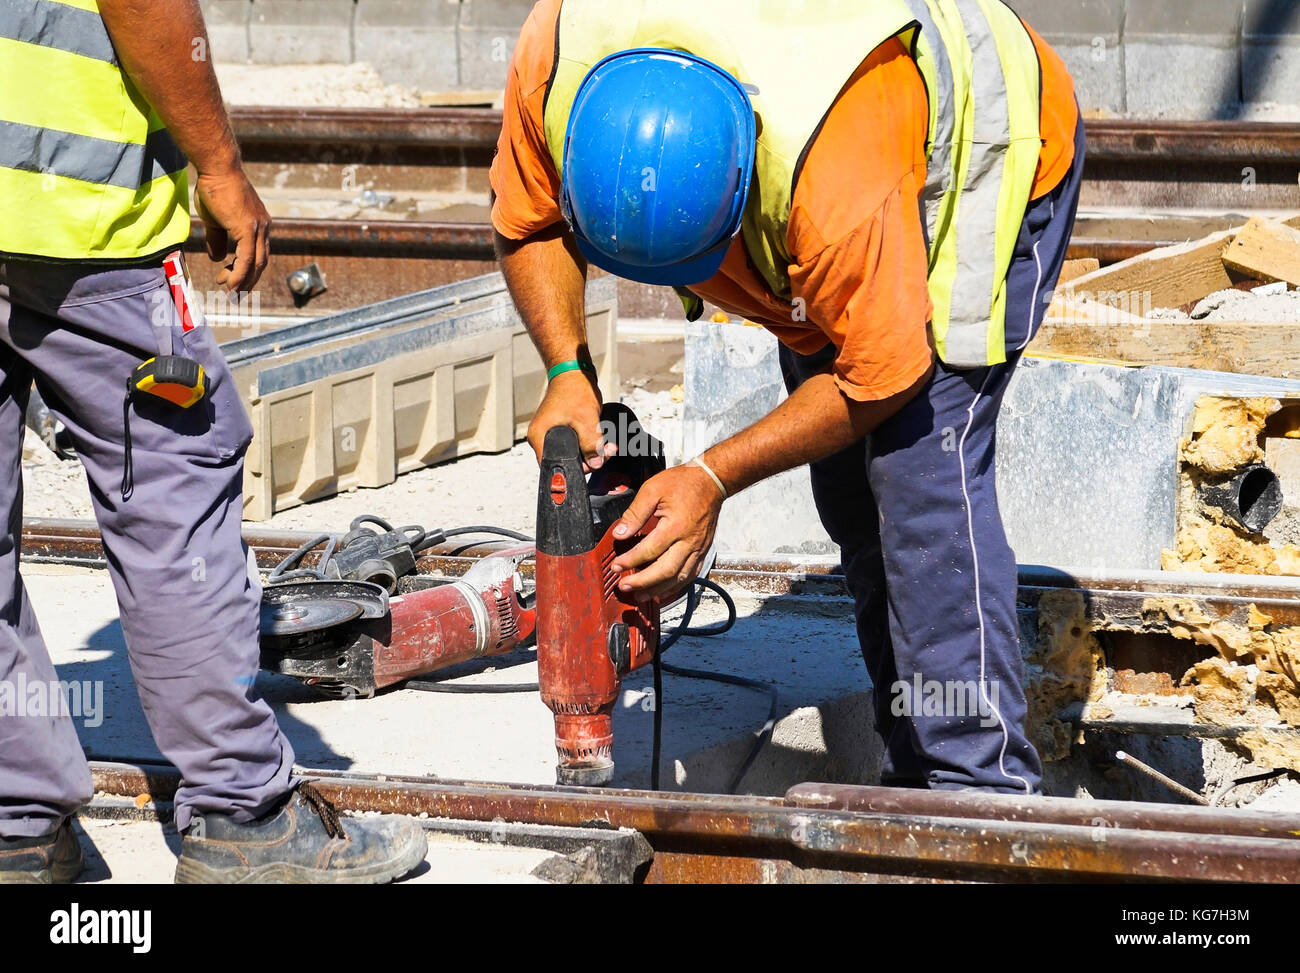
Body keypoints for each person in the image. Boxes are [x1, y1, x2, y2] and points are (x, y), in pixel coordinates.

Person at [492, 0, 1085, 792]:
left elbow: (881, 379)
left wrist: (712, 476)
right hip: (839, 187)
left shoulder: (833, 176)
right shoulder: (556, 54)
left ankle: (979, 792)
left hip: (986, 148)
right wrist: (567, 371)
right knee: (849, 491)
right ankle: (910, 760)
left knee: (921, 480)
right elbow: (528, 223)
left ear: (744, 187)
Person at [0, 0, 425, 882]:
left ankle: (15, 823)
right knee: (172, 499)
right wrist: (220, 166)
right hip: (77, 212)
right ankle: (242, 814)